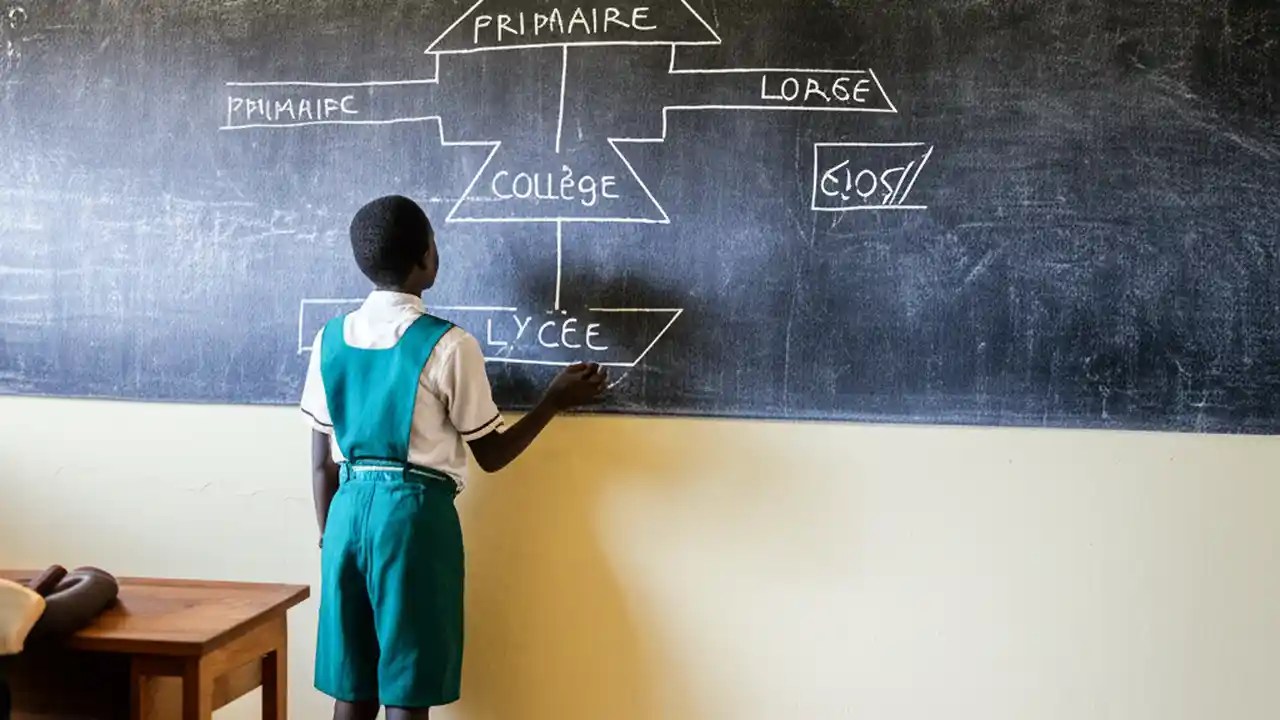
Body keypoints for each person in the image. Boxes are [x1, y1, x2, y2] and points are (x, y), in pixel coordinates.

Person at [300, 195, 607, 720]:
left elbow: (319, 462)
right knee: (407, 687)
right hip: (413, 518)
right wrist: (553, 400)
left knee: (352, 688)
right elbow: (491, 452)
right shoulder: (449, 345)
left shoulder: (329, 340)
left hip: (346, 513)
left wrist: (332, 539)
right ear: (426, 258)